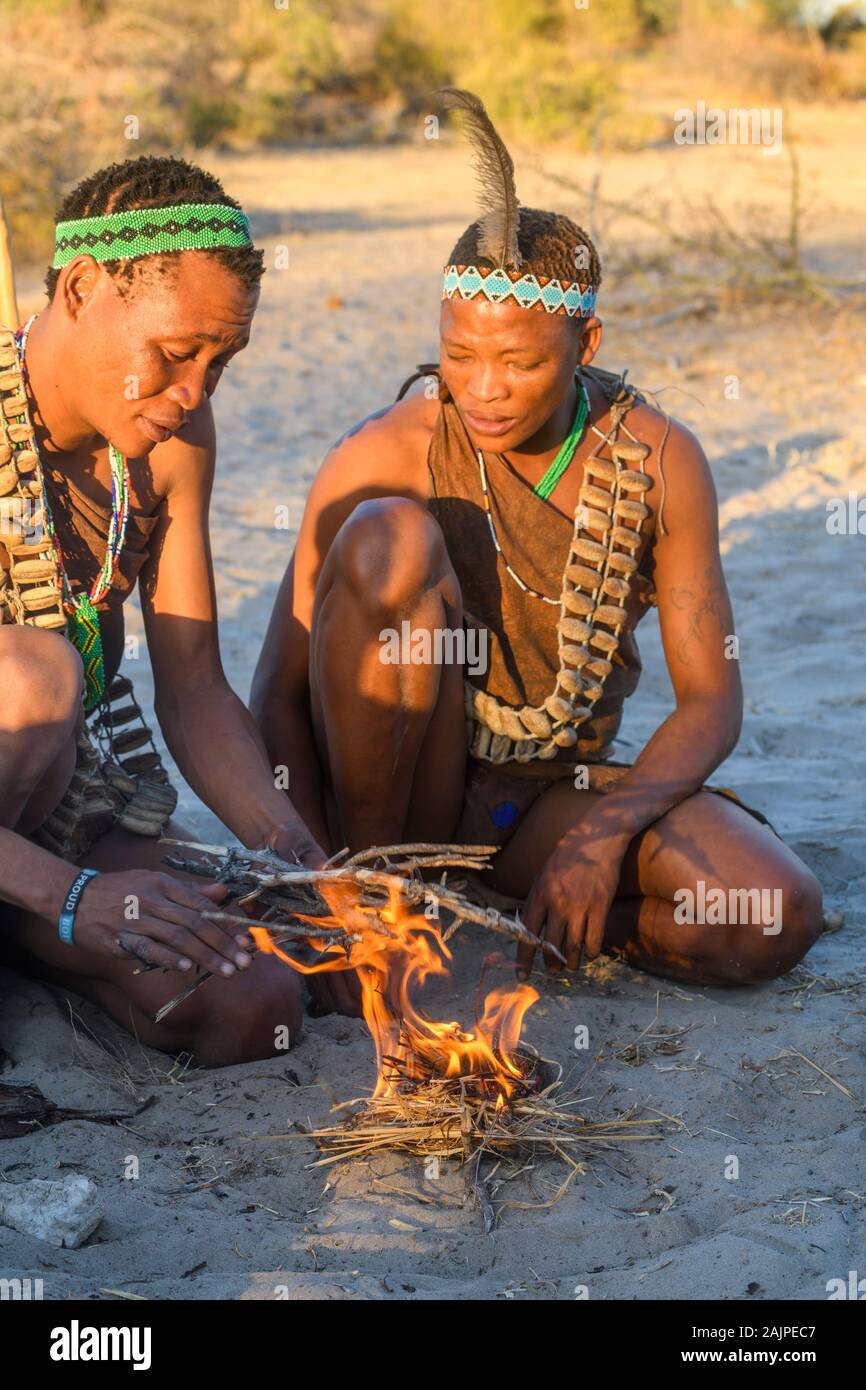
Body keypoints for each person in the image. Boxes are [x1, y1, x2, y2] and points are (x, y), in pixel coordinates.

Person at [252, 89, 823, 990]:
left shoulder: (657, 460)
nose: (483, 388)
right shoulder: (387, 448)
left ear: (584, 339)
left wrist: (598, 841)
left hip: (548, 802)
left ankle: (518, 914)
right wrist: (318, 872)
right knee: (384, 540)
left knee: (770, 912)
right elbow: (277, 698)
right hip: (400, 793)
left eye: (520, 362)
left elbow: (711, 702)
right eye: (459, 354)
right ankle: (383, 896)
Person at [0, 155, 339, 1066]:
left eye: (221, 361)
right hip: (37, 836)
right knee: (33, 680)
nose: (194, 391)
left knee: (258, 996)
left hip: (56, 815)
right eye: (175, 351)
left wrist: (292, 852)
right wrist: (73, 897)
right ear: (81, 287)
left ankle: (28, 933)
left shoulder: (171, 443)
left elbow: (192, 692)